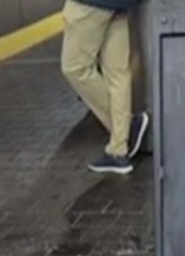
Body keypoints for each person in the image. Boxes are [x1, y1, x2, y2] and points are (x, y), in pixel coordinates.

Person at [60, 0, 150, 174]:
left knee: (75, 68)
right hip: (121, 4)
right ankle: (118, 149)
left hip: (90, 4)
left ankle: (127, 125)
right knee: (117, 74)